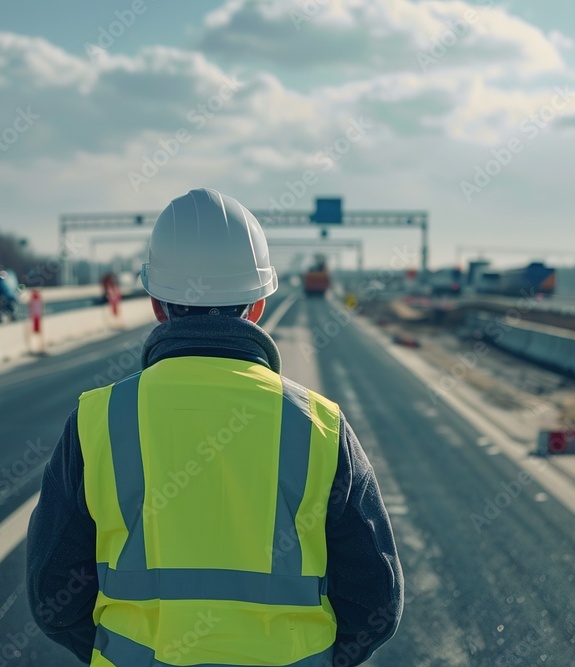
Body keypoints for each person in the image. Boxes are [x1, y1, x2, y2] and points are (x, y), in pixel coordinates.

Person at [26, 188, 403, 665]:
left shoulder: (98, 419)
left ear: (157, 304)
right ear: (259, 304)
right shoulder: (320, 426)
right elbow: (376, 602)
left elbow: (53, 596)